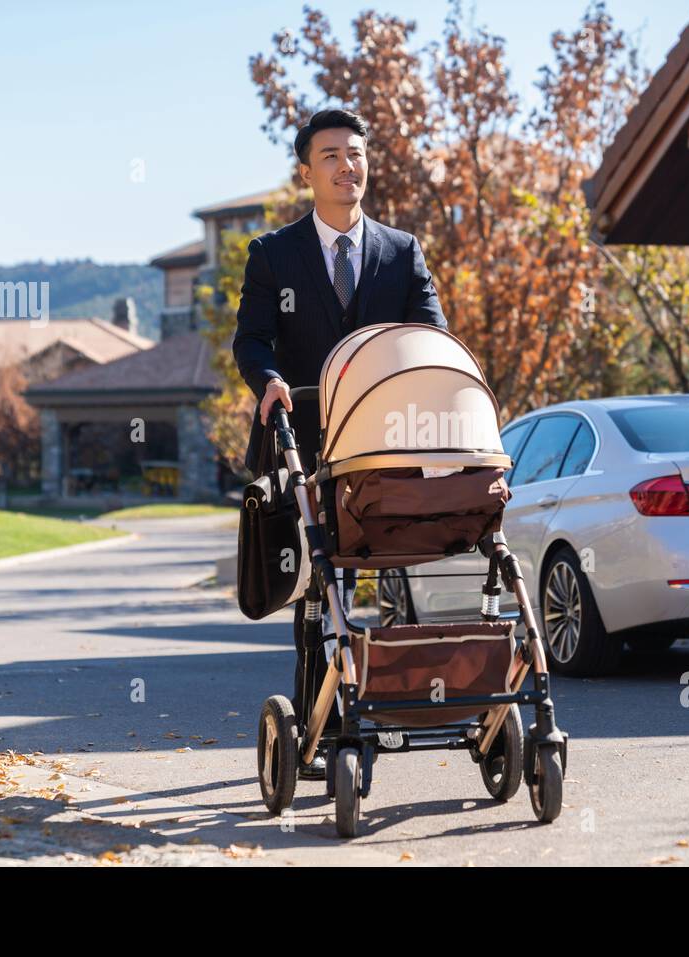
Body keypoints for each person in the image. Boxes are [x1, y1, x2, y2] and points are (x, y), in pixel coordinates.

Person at [232, 108, 447, 778]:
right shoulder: (273, 254)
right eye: (330, 156)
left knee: (372, 587)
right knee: (317, 593)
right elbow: (252, 340)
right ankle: (317, 728)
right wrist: (268, 379)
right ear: (307, 172)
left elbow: (430, 334)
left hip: (384, 445)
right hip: (304, 447)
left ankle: (385, 710)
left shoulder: (401, 251)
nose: (346, 166)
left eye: (355, 153)